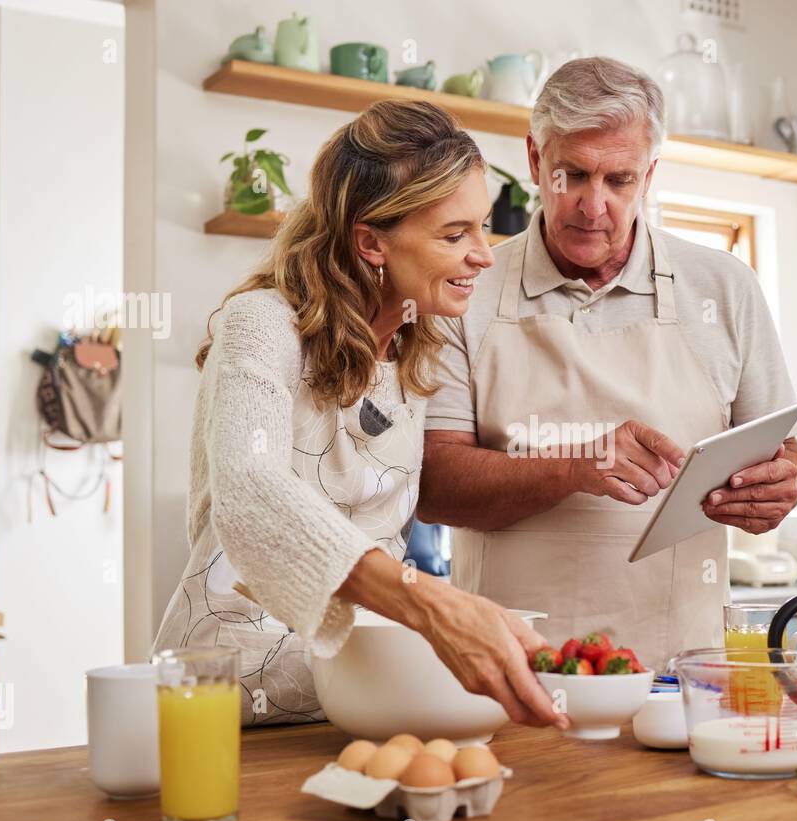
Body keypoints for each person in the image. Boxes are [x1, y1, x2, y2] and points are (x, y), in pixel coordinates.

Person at [152, 100, 565, 730]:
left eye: (482, 227)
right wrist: (432, 606)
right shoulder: (263, 325)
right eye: (455, 235)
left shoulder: (414, 346)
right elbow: (250, 491)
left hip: (357, 698)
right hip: (232, 705)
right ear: (371, 240)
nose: (484, 253)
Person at [419, 57, 797, 671]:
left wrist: (780, 488)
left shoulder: (724, 288)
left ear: (649, 174)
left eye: (619, 179)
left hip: (684, 673)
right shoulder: (466, 291)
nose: (592, 205)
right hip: (511, 672)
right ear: (533, 161)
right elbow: (433, 485)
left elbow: (787, 456)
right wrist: (573, 467)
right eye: (570, 173)